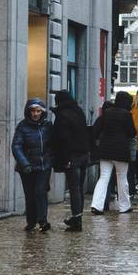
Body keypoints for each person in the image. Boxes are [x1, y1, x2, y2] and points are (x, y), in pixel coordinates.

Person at [90, 92, 137, 215]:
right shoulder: (127, 114)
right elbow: (132, 133)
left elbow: (97, 130)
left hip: (105, 150)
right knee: (122, 178)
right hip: (121, 151)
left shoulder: (107, 113)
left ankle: (96, 205)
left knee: (103, 177)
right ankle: (124, 206)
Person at [51, 90, 91, 233]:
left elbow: (63, 139)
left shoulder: (62, 116)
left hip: (72, 155)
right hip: (83, 154)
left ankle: (77, 219)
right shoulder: (78, 111)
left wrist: (65, 159)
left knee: (74, 188)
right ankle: (77, 217)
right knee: (78, 187)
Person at [12, 99, 52, 232]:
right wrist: (25, 163)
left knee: (40, 192)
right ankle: (31, 221)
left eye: (38, 111)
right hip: (27, 168)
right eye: (33, 111)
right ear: (28, 112)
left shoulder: (47, 126)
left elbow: (55, 143)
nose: (35, 114)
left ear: (42, 112)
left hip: (43, 166)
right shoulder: (22, 126)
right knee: (30, 196)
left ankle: (42, 220)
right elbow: (16, 146)